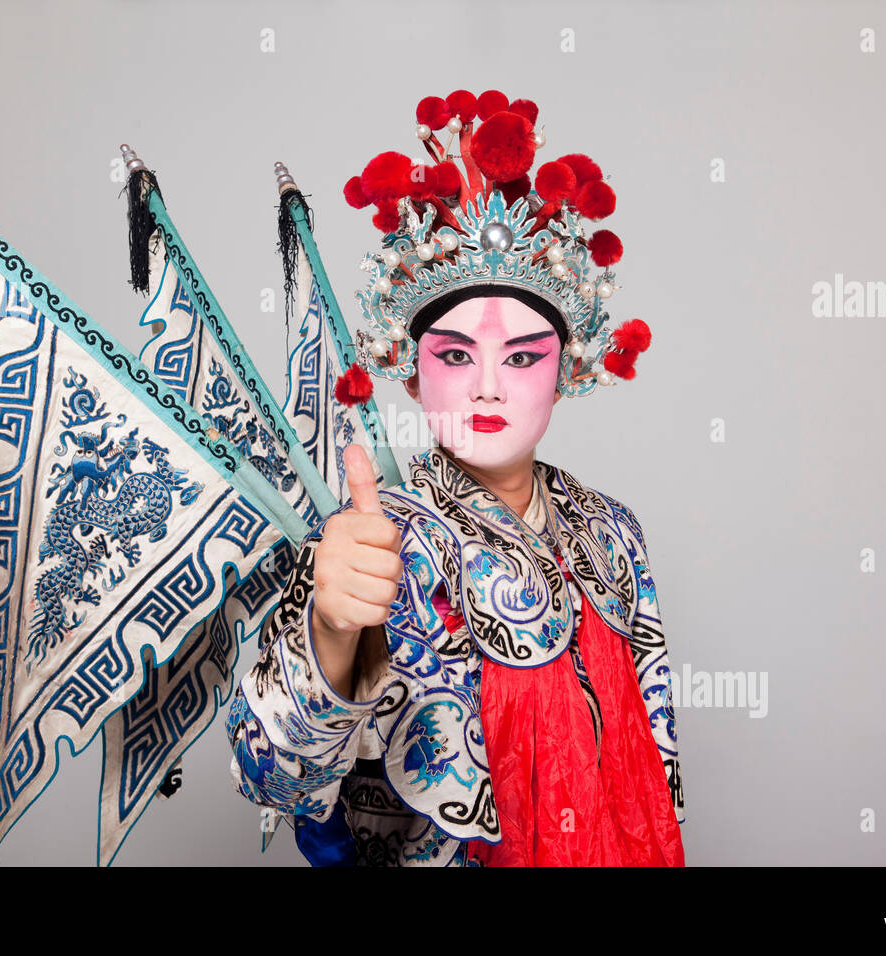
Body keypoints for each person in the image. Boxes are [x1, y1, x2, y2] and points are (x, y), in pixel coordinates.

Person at [226, 88, 684, 866]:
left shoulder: (614, 530)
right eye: (456, 355)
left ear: (566, 369)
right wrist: (333, 633)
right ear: (411, 374)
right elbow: (270, 775)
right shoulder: (375, 540)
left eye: (523, 356)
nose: (489, 387)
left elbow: (656, 767)